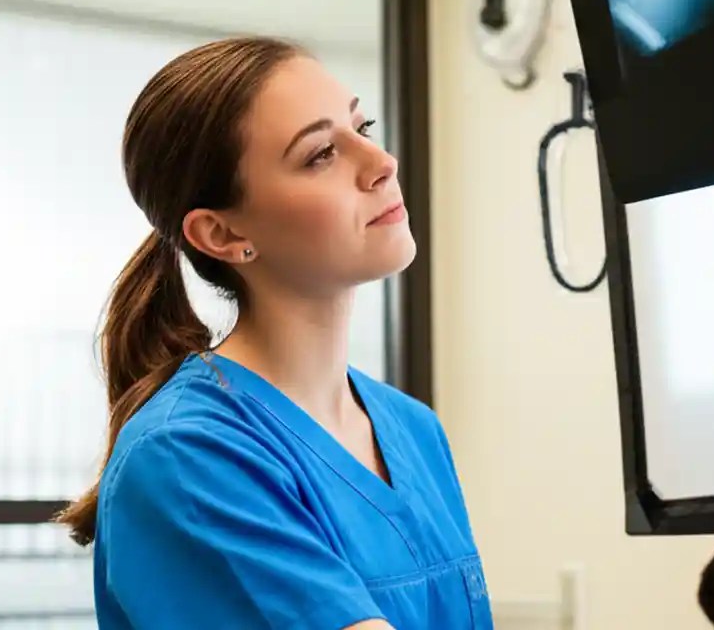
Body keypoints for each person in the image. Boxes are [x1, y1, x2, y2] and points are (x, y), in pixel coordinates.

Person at [55, 36, 492, 630]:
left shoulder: (414, 429)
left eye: (363, 126)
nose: (381, 162)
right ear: (221, 233)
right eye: (320, 154)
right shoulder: (186, 455)